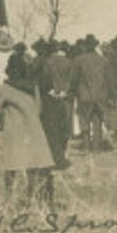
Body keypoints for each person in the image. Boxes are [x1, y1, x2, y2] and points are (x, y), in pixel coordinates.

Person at [0, 73, 55, 209]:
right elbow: (39, 109)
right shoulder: (33, 85)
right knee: (32, 164)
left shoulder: (5, 88)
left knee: (11, 165)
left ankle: (9, 198)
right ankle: (30, 197)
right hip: (32, 128)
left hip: (14, 129)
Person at [38, 40, 73, 168]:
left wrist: (51, 91)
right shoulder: (69, 62)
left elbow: (45, 78)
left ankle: (52, 156)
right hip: (64, 97)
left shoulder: (47, 62)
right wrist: (64, 91)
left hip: (50, 97)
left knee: (51, 127)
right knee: (64, 127)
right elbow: (71, 79)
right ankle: (61, 155)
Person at [70, 35, 109, 151]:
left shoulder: (79, 60)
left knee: (84, 121)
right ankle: (97, 147)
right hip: (100, 96)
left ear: (85, 46)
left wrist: (73, 91)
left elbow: (73, 79)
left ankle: (86, 147)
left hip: (84, 96)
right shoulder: (104, 60)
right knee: (97, 122)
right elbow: (109, 80)